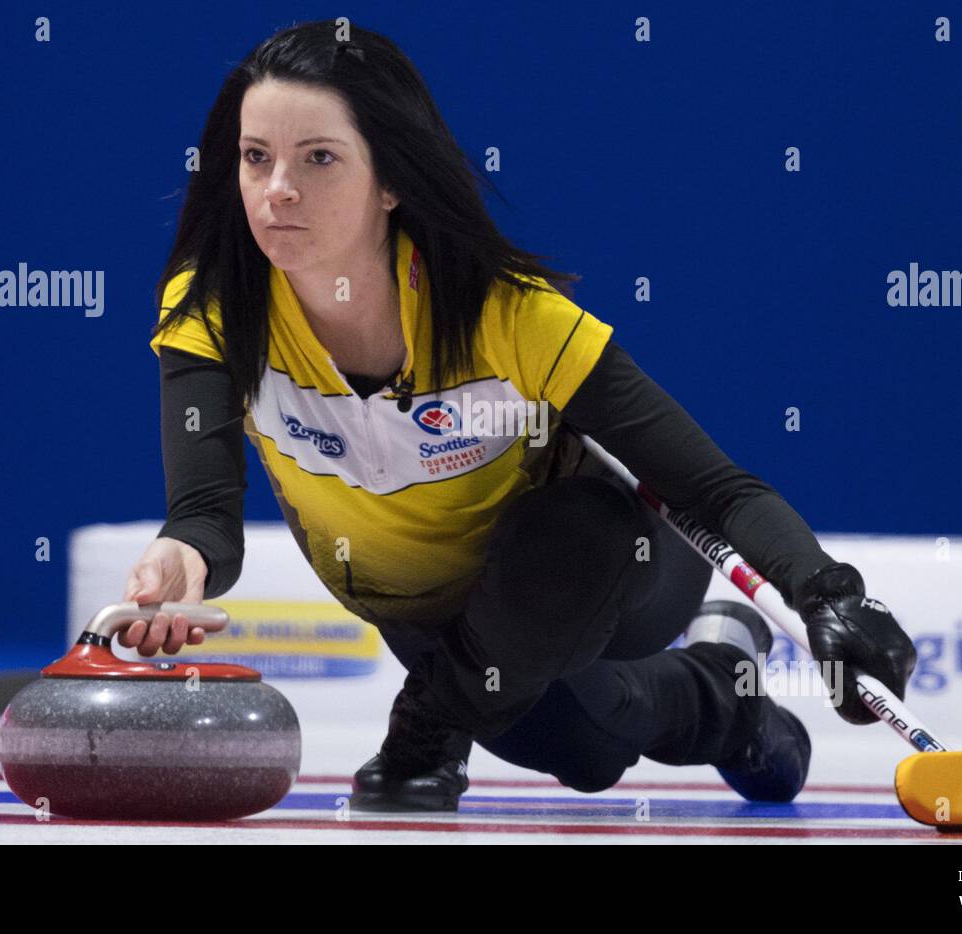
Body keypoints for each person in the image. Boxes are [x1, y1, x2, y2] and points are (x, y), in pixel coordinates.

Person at [123, 20, 917, 811]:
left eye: (319, 158)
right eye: (256, 157)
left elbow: (714, 487)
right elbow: (205, 516)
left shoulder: (508, 317)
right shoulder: (215, 309)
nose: (277, 190)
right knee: (589, 746)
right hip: (434, 614)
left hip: (610, 570)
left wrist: (831, 596)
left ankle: (430, 720)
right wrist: (182, 557)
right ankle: (726, 688)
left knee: (566, 549)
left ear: (391, 180)